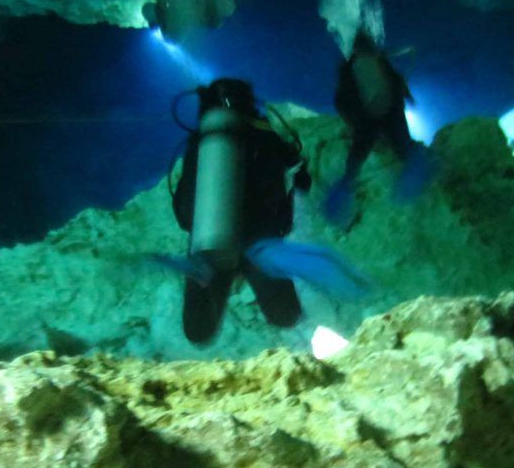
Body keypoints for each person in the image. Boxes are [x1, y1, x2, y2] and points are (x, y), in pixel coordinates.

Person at [170, 78, 311, 343]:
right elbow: (300, 180)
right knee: (286, 315)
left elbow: (183, 207)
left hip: (210, 240)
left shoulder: (201, 142)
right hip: (261, 241)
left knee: (198, 331)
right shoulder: (267, 137)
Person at [325, 29, 424, 223]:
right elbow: (396, 81)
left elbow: (342, 100)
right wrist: (406, 96)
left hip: (373, 120)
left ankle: (342, 194)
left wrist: (352, 120)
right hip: (383, 116)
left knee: (358, 157)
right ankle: (413, 172)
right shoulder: (375, 62)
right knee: (400, 146)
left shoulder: (356, 67)